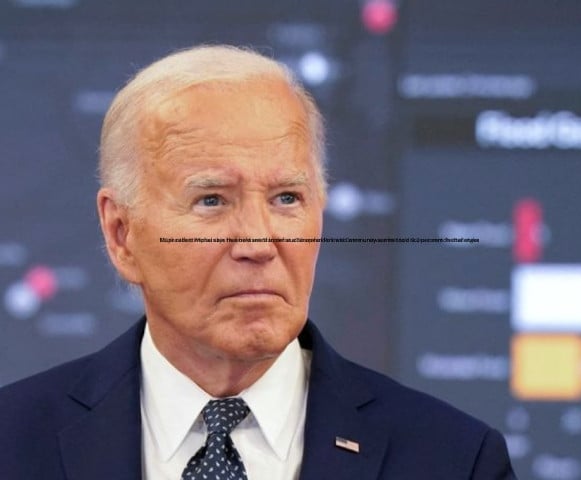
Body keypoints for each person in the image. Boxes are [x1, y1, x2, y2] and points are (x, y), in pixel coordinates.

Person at [0, 45, 517, 480]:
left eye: (287, 198)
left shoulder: (454, 460)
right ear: (122, 234)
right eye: (212, 200)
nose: (259, 242)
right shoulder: (14, 443)